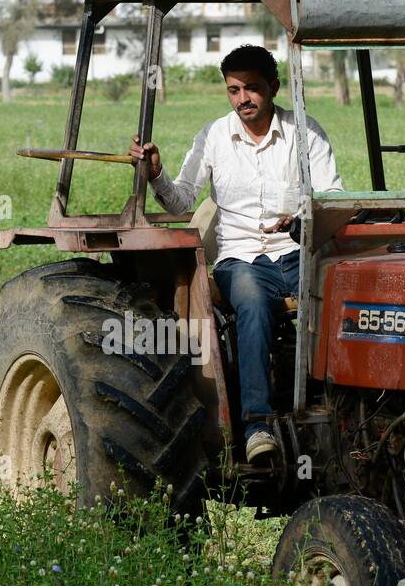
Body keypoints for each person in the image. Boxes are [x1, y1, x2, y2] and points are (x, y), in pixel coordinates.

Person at [128, 44, 343, 463]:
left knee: (339, 297)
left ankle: (332, 406)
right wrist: (155, 172)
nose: (243, 98)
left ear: (274, 88)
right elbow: (180, 199)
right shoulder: (213, 137)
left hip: (296, 250)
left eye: (252, 88)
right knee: (252, 304)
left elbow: (330, 196)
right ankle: (258, 425)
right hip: (241, 258)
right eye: (233, 90)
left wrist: (300, 218)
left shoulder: (306, 133)